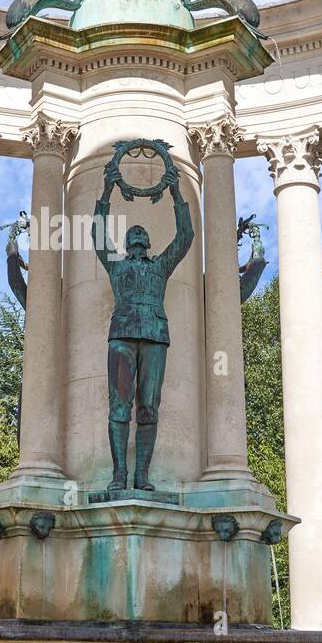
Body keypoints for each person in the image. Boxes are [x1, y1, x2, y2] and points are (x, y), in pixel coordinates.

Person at [92, 156, 193, 492]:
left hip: (154, 337)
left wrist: (177, 193)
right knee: (119, 405)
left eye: (140, 237)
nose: (136, 240)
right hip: (122, 336)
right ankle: (120, 473)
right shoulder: (116, 266)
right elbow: (97, 233)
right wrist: (107, 191)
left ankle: (141, 475)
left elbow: (186, 236)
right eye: (132, 237)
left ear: (146, 244)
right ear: (127, 244)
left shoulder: (161, 266)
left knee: (149, 406)